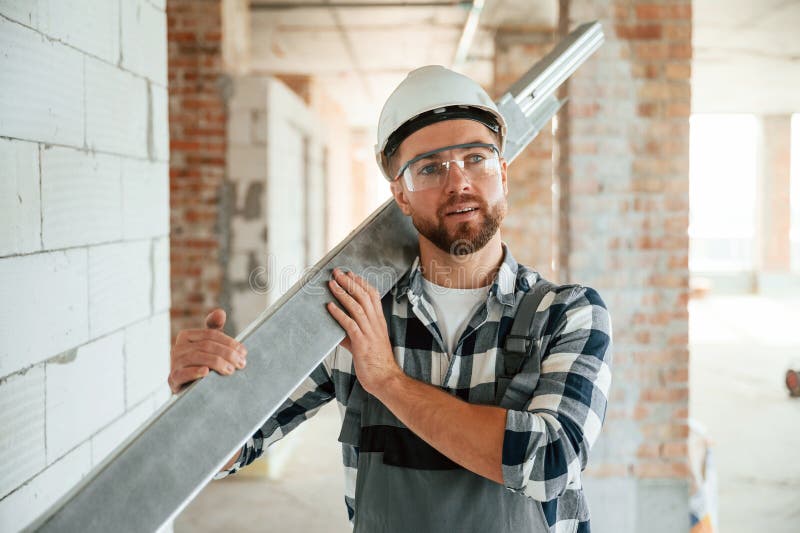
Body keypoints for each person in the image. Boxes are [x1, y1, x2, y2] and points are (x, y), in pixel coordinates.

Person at [168, 65, 613, 532]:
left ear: (502, 171)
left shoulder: (566, 314)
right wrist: (200, 402)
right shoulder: (355, 316)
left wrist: (386, 379)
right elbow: (240, 445)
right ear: (400, 195)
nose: (458, 182)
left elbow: (552, 465)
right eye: (430, 168)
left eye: (476, 158)